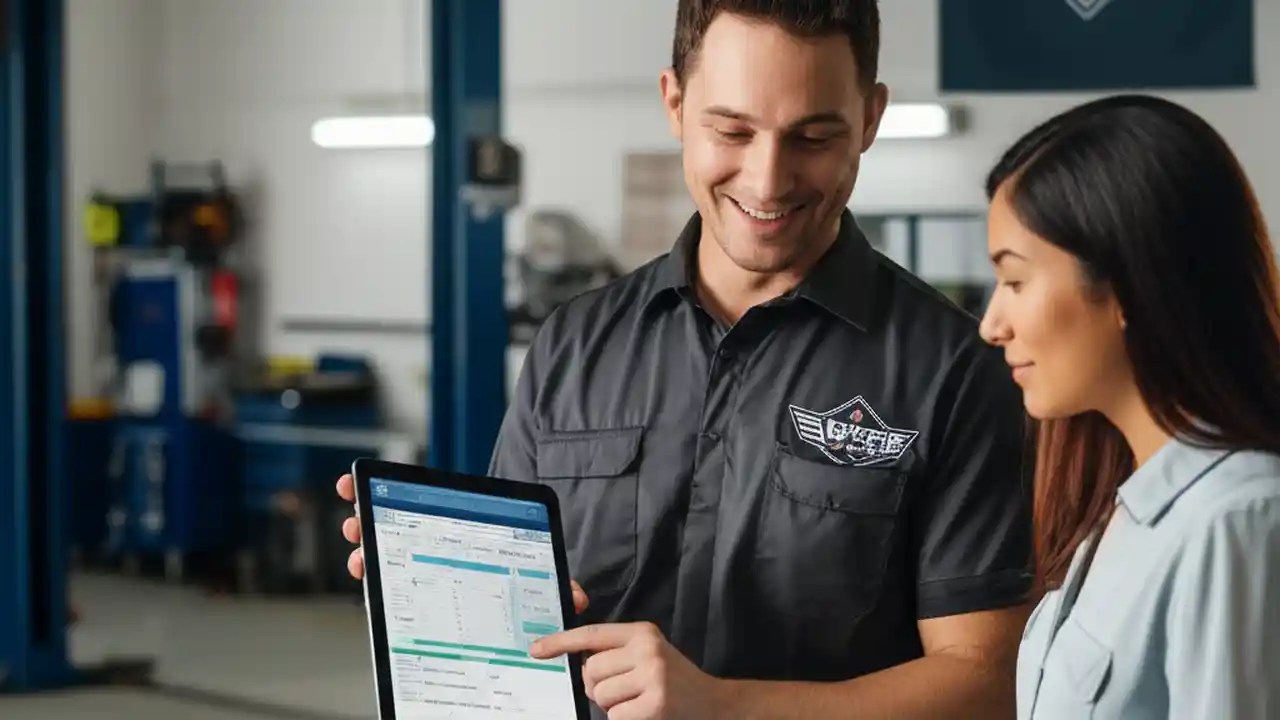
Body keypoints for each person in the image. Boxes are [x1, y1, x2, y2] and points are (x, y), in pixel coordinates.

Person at [338, 1, 1035, 717]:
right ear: (674, 103)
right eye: (731, 131)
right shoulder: (574, 345)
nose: (768, 182)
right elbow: (522, 637)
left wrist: (726, 707)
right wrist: (437, 589)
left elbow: (984, 681)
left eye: (814, 137)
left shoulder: (954, 369)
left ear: (870, 119)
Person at [978, 94, 1280, 719]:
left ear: (1125, 286)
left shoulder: (1235, 520)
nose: (992, 325)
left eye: (1014, 281)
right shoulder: (1123, 506)